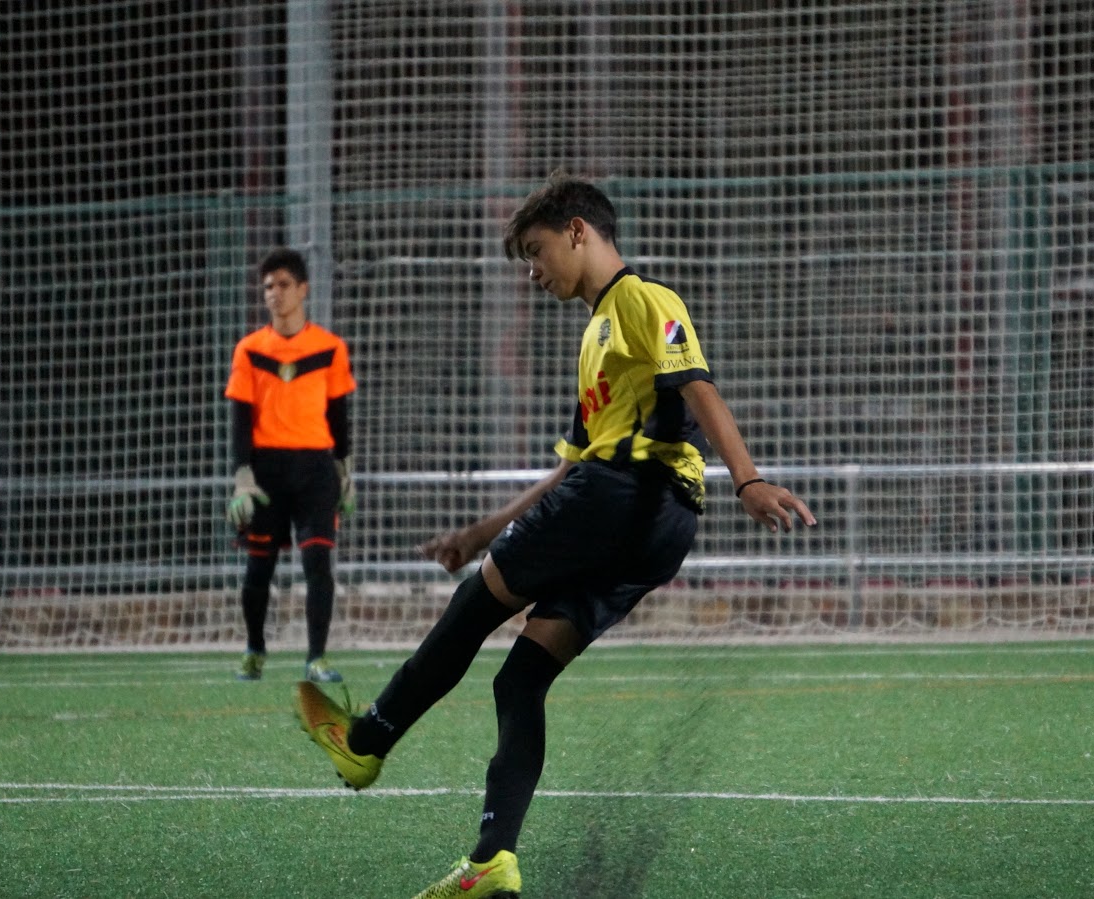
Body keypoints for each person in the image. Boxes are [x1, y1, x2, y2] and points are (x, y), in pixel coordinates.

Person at [294, 173, 815, 899]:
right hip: (657, 528)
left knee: (474, 608)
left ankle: (365, 742)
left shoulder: (643, 300)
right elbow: (570, 466)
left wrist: (750, 479)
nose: (533, 271)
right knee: (521, 677)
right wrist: (484, 528)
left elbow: (698, 387)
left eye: (536, 252)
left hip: (623, 494)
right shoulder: (594, 336)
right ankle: (492, 860)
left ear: (578, 230)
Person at [224, 247, 356, 684]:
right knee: (258, 566)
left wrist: (345, 471)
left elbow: (338, 415)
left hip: (315, 471)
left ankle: (315, 657)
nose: (274, 294)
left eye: (283, 285)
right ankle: (254, 650)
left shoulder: (330, 348)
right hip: (266, 473)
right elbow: (241, 421)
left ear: (303, 289)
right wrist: (242, 477)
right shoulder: (249, 350)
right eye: (267, 287)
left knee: (318, 562)